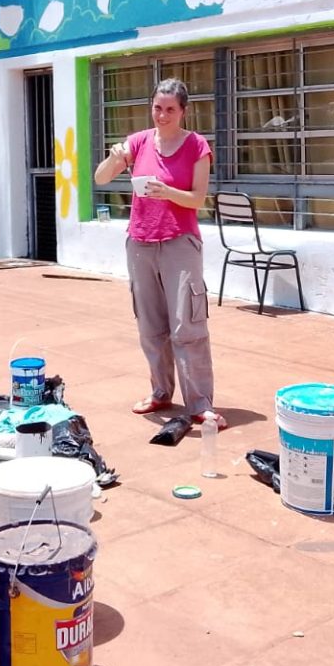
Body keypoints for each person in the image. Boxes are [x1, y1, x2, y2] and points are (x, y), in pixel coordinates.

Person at [92, 78, 222, 428]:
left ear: (183, 111)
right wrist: (114, 158)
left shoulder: (196, 145)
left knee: (187, 324)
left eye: (169, 109)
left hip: (180, 241)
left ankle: (199, 402)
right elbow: (101, 178)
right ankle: (160, 391)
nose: (162, 115)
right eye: (157, 108)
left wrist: (167, 192)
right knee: (150, 324)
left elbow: (197, 199)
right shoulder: (139, 142)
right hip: (140, 242)